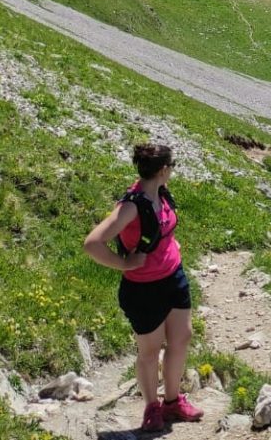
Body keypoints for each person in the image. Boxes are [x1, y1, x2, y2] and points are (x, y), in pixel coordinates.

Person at [83, 143, 204, 432]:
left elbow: (163, 230)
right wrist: (124, 265)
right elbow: (92, 243)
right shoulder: (131, 206)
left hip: (173, 277)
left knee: (181, 338)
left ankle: (172, 401)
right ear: (163, 170)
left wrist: (171, 246)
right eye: (172, 167)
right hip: (144, 288)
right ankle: (152, 408)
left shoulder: (159, 194)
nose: (172, 172)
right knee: (149, 350)